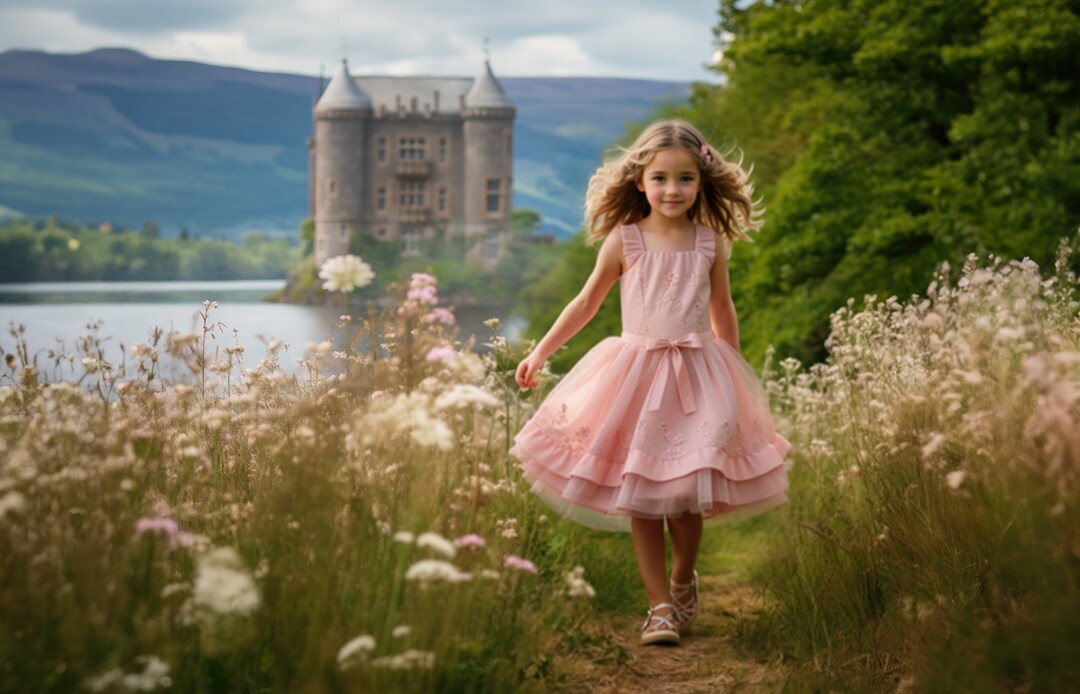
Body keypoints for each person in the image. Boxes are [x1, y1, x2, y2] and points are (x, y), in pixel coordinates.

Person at [509, 120, 790, 646]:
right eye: (660, 178)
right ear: (640, 182)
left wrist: (733, 374)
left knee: (686, 495)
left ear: (701, 183)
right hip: (635, 373)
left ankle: (684, 579)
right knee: (642, 495)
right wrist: (541, 350)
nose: (672, 190)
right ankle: (659, 606)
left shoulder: (710, 242)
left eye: (685, 179)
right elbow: (588, 302)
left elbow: (721, 307)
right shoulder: (625, 239)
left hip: (696, 370)